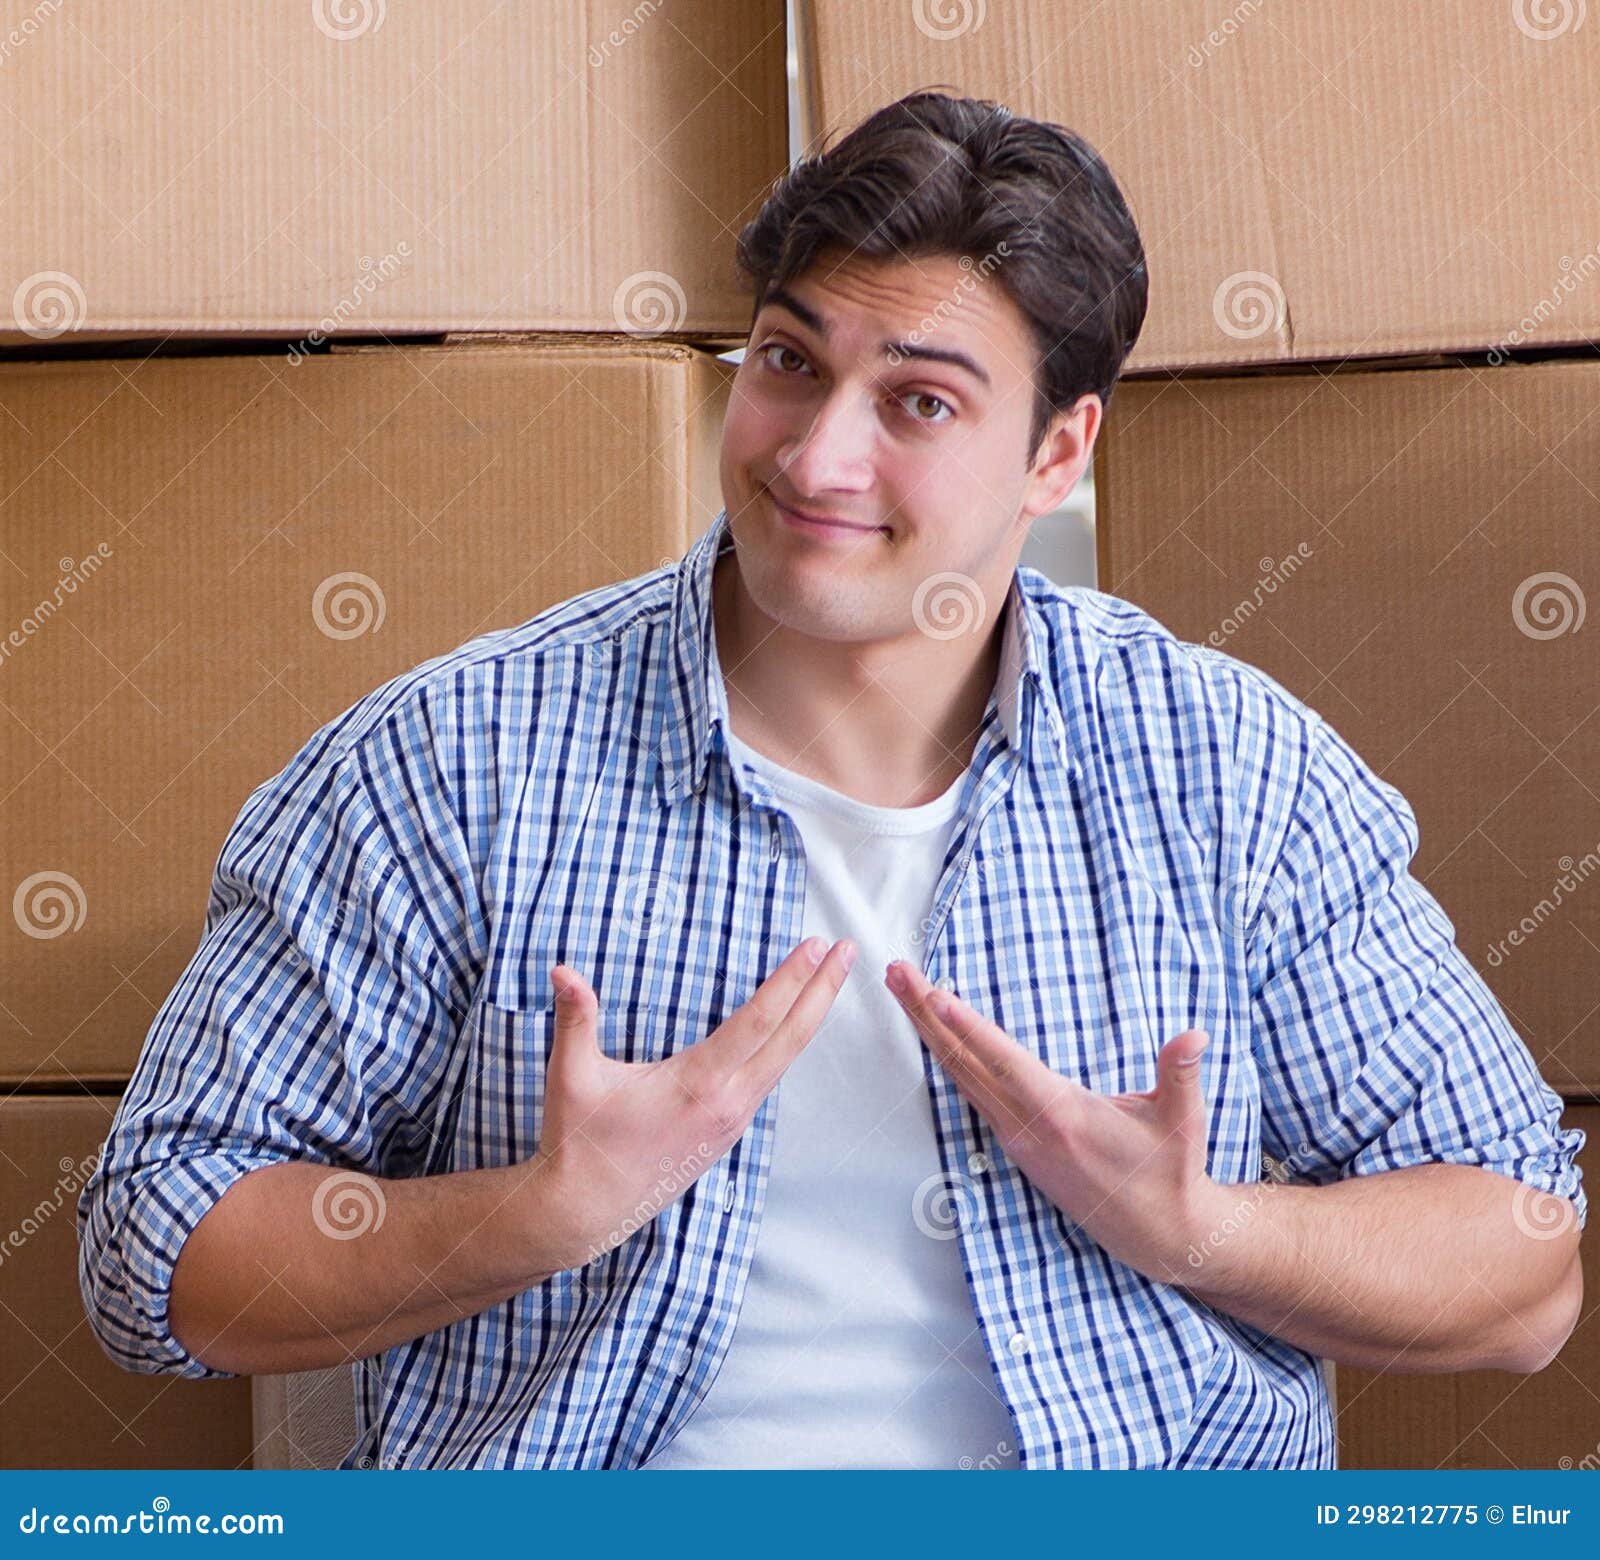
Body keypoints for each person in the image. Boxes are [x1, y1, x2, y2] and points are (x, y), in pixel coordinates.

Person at [78, 91, 1585, 1471]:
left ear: (1057, 453)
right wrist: (534, 1215)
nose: (816, 457)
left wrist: (1203, 1231)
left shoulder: (1226, 771)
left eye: (919, 402)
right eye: (790, 363)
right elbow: (154, 1253)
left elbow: (1523, 1270)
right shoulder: (456, 757)